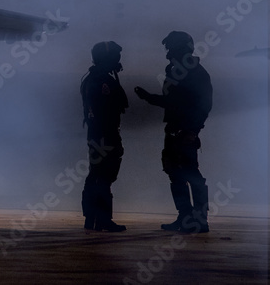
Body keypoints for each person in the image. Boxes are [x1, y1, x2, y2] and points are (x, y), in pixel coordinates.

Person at [134, 31, 213, 233]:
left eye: (171, 48)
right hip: (174, 130)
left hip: (185, 131)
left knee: (191, 174)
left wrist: (192, 130)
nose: (168, 53)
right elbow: (171, 101)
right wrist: (149, 98)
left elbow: (204, 105)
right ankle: (185, 217)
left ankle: (199, 220)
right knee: (175, 174)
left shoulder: (196, 73)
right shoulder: (175, 71)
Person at [80, 41, 128, 232]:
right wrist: (110, 138)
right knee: (103, 177)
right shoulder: (102, 81)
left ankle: (93, 218)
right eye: (115, 56)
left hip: (98, 135)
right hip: (104, 135)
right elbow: (105, 111)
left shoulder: (93, 78)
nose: (118, 60)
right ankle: (101, 219)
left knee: (98, 175)